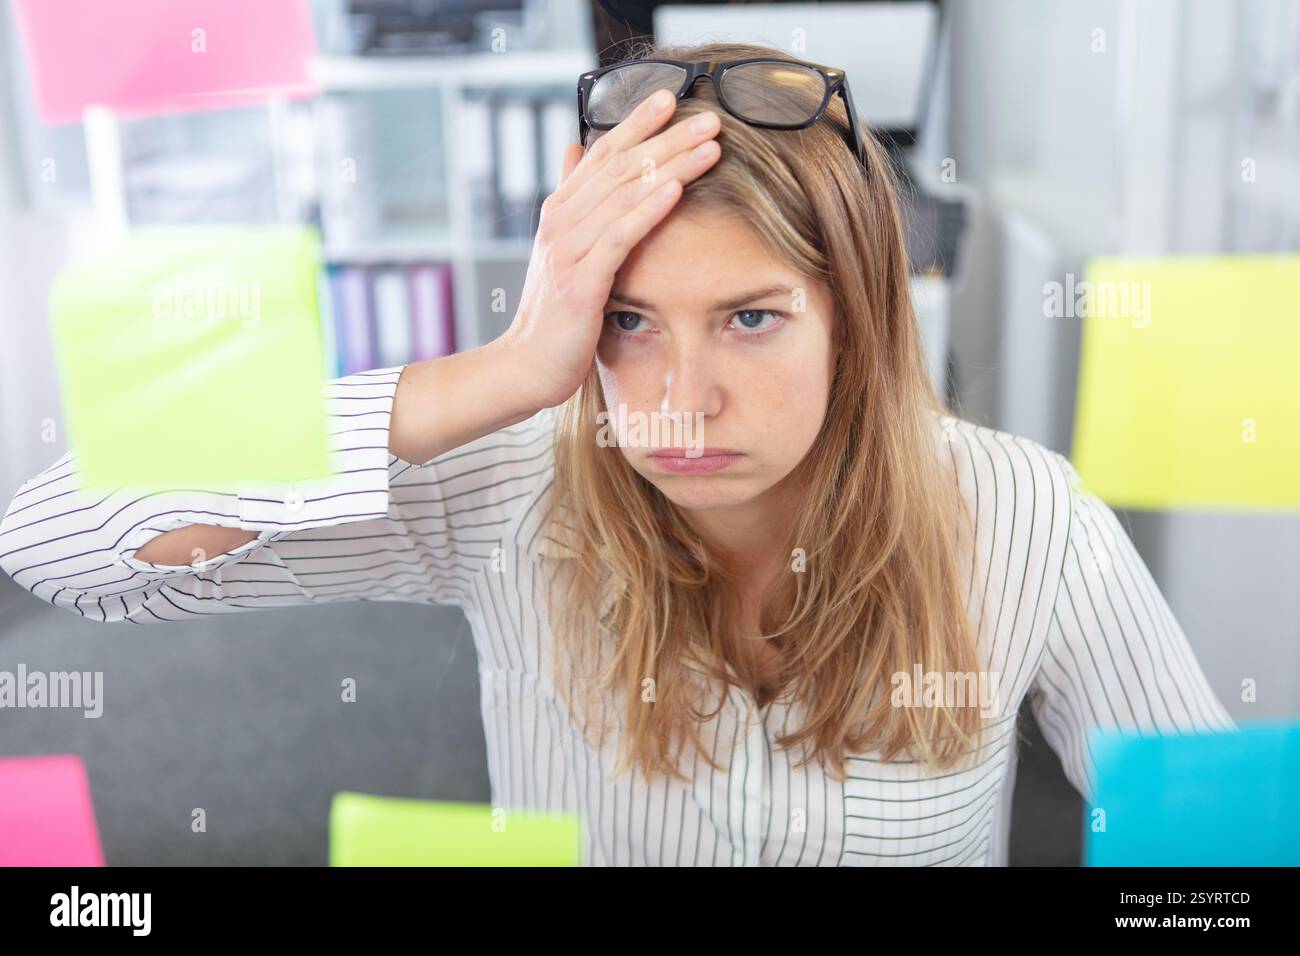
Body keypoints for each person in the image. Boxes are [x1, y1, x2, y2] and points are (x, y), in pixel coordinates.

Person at [0, 41, 1234, 866]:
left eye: (750, 319)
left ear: (857, 314)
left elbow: (1218, 857)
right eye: (627, 322)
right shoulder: (515, 479)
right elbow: (55, 543)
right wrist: (505, 371)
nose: (679, 403)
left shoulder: (1024, 518)